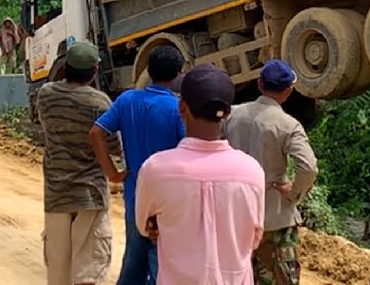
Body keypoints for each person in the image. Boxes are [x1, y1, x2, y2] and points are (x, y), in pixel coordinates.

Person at [135, 64, 265, 285]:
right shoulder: (252, 171)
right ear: (227, 113)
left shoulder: (156, 169)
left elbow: (144, 226)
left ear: (182, 107)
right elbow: (253, 239)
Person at [88, 44, 186, 285]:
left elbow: (96, 133)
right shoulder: (177, 109)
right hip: (167, 199)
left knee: (134, 257)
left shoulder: (127, 100)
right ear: (178, 74)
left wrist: (112, 173)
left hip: (135, 194)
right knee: (159, 261)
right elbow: (187, 151)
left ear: (148, 71)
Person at [223, 60, 317, 285]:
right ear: (288, 91)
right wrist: (294, 192)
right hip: (275, 216)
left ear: (259, 84)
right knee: (280, 277)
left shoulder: (232, 115)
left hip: (236, 214)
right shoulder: (288, 125)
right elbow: (308, 167)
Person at [37, 41, 116, 285]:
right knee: (88, 274)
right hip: (89, 196)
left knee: (58, 274)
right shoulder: (99, 103)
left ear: (65, 67)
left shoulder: (46, 95)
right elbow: (113, 147)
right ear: (94, 71)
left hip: (56, 195)